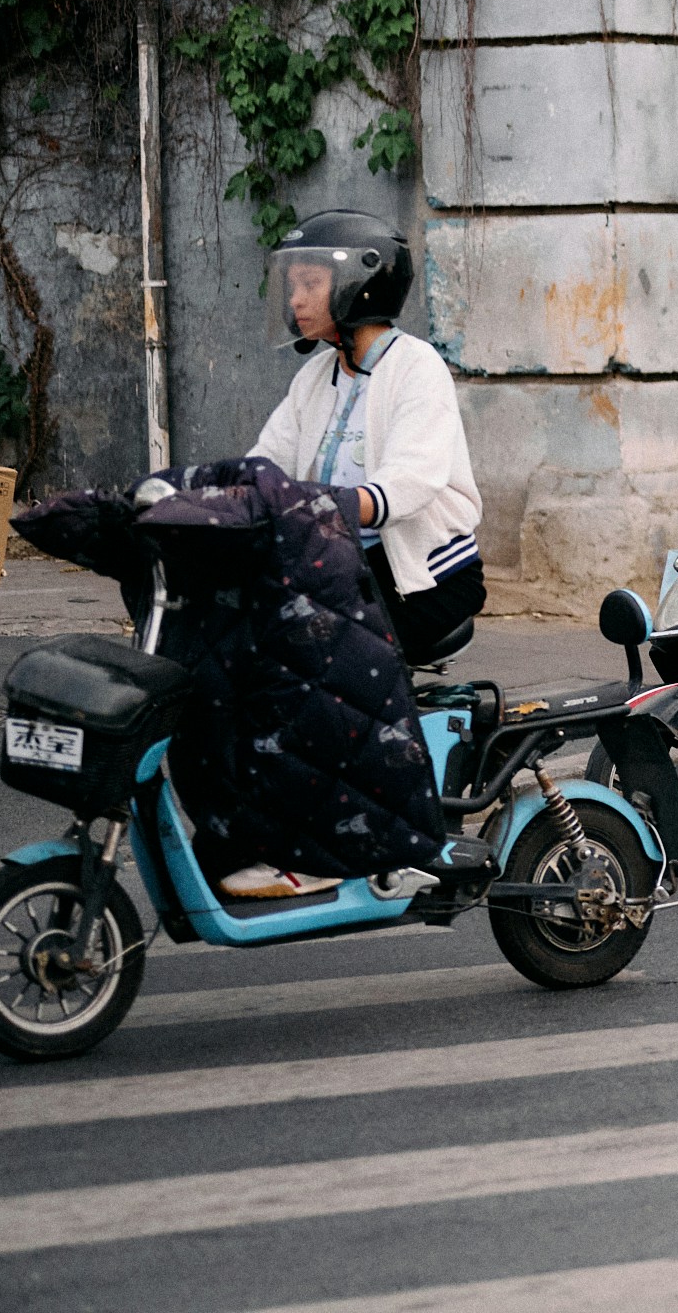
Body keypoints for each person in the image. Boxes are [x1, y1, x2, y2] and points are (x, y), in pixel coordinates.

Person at [244, 209, 483, 899]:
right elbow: (268, 461)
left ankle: (352, 844)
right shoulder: (317, 376)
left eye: (310, 281)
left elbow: (413, 480)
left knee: (316, 666)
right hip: (340, 569)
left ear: (359, 287)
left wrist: (342, 507)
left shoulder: (416, 369)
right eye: (292, 282)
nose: (295, 297)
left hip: (424, 577)